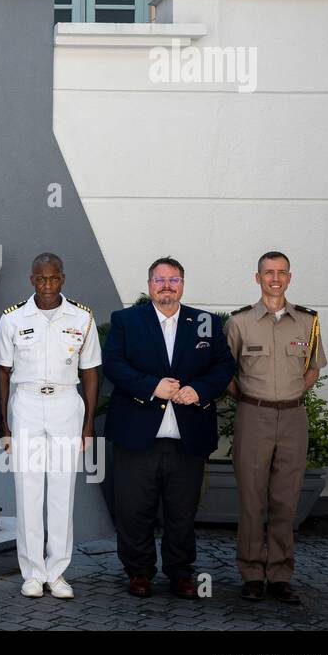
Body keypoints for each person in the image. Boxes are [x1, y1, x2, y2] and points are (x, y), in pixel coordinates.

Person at [102, 256, 235, 599]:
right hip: (137, 436)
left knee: (182, 512)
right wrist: (151, 386)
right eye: (159, 281)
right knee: (134, 511)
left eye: (173, 280)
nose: (166, 287)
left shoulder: (205, 323)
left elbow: (224, 366)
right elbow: (113, 364)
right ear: (149, 286)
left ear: (183, 285)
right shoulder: (126, 320)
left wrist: (200, 390)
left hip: (187, 437)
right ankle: (139, 572)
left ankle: (180, 573)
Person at [0, 253, 100, 599]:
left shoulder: (82, 317)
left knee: (61, 491)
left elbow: (90, 373)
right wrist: (5, 426)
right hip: (25, 404)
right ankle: (32, 572)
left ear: (63, 279)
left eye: (54, 279)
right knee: (28, 491)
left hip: (66, 404)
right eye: (41, 279)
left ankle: (57, 573)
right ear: (32, 280)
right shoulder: (12, 319)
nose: (48, 285)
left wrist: (87, 426)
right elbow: (2, 373)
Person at [226, 251, 327, 605]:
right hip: (254, 417)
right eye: (268, 272)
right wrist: (252, 400)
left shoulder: (308, 322)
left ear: (289, 277)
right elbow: (226, 373)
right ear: (257, 278)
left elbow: (313, 367)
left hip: (293, 418)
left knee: (286, 499)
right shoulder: (240, 323)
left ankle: (281, 574)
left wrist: (293, 392)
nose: (275, 278)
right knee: (252, 499)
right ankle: (252, 574)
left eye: (281, 272)